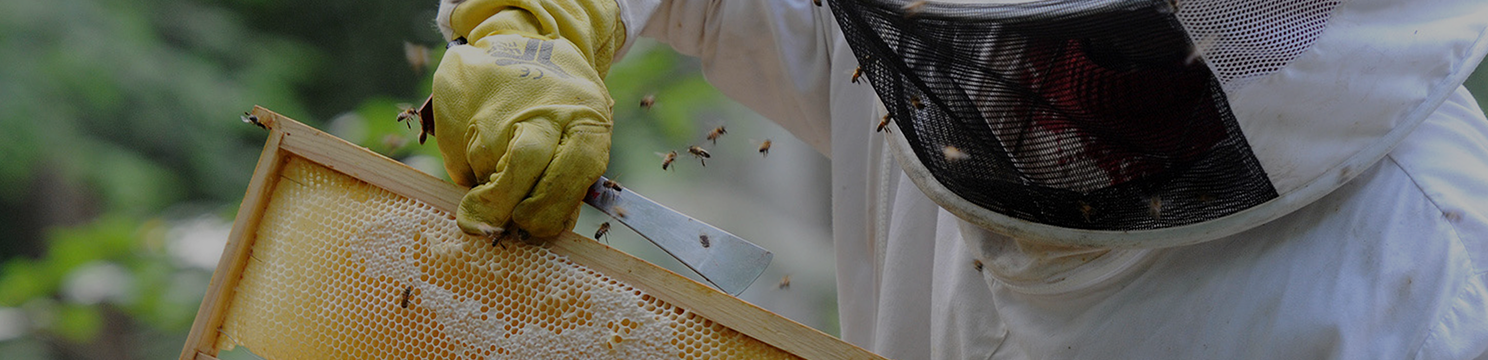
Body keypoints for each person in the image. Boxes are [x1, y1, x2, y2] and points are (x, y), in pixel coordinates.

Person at [427, 0, 1488, 358]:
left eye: (1100, 78)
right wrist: (539, 22)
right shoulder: (945, 35)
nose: (1055, 104)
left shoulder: (1422, 295)